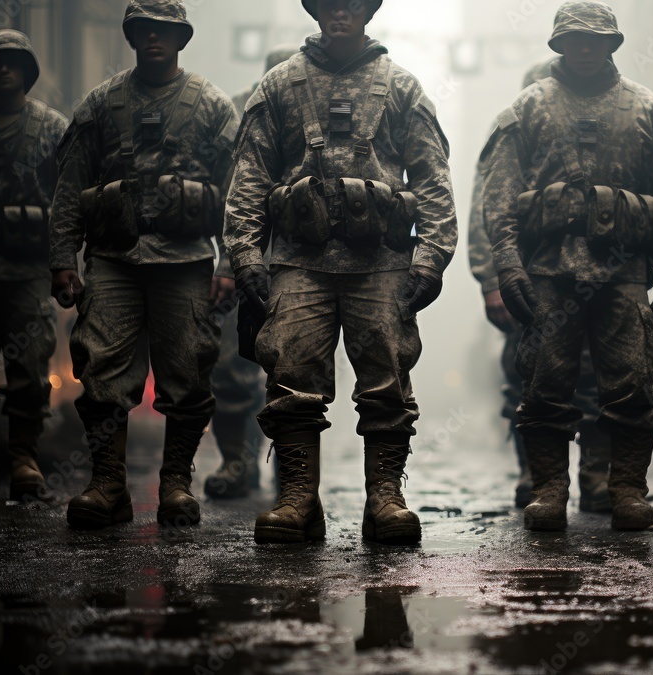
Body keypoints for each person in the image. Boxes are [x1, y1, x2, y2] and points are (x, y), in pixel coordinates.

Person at [225, 0, 457, 545]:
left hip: (379, 263)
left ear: (368, 12)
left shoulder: (402, 87)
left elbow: (432, 178)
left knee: (387, 380)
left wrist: (431, 257)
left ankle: (386, 500)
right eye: (330, 4)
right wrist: (246, 256)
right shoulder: (279, 87)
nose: (340, 13)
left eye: (351, 4)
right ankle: (298, 500)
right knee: (290, 376)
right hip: (298, 262)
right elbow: (250, 178)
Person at [482, 1, 653, 532]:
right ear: (559, 45)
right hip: (548, 275)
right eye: (576, 39)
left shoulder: (645, 110)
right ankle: (549, 491)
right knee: (545, 385)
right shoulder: (526, 109)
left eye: (596, 39)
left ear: (613, 44)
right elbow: (499, 198)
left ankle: (626, 490)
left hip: (621, 275)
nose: (587, 48)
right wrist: (506, 263)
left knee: (632, 385)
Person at [50, 0, 240, 529]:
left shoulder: (211, 106)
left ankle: (176, 484)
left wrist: (230, 265)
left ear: (181, 38)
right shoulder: (100, 104)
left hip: (185, 262)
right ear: (132, 36)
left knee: (187, 372)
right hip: (114, 260)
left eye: (165, 31)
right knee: (102, 369)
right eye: (144, 30)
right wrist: (63, 258)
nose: (154, 38)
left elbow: (236, 192)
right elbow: (71, 186)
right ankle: (107, 484)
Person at [469, 60, 612, 512]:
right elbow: (484, 215)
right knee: (527, 379)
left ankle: (595, 476)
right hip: (527, 282)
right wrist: (491, 282)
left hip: (593, 277)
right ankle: (536, 473)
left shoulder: (596, 141)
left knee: (595, 379)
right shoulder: (512, 138)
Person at [0, 30, 67, 502]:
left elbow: (67, 203)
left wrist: (66, 263)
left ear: (27, 70)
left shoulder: (51, 128)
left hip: (28, 273)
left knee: (28, 369)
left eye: (13, 62)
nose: (4, 70)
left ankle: (25, 460)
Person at [204, 45, 298, 501]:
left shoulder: (315, 111)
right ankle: (237, 464)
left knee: (293, 372)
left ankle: (293, 473)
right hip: (240, 260)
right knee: (231, 369)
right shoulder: (239, 114)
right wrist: (225, 263)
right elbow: (224, 194)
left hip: (299, 263)